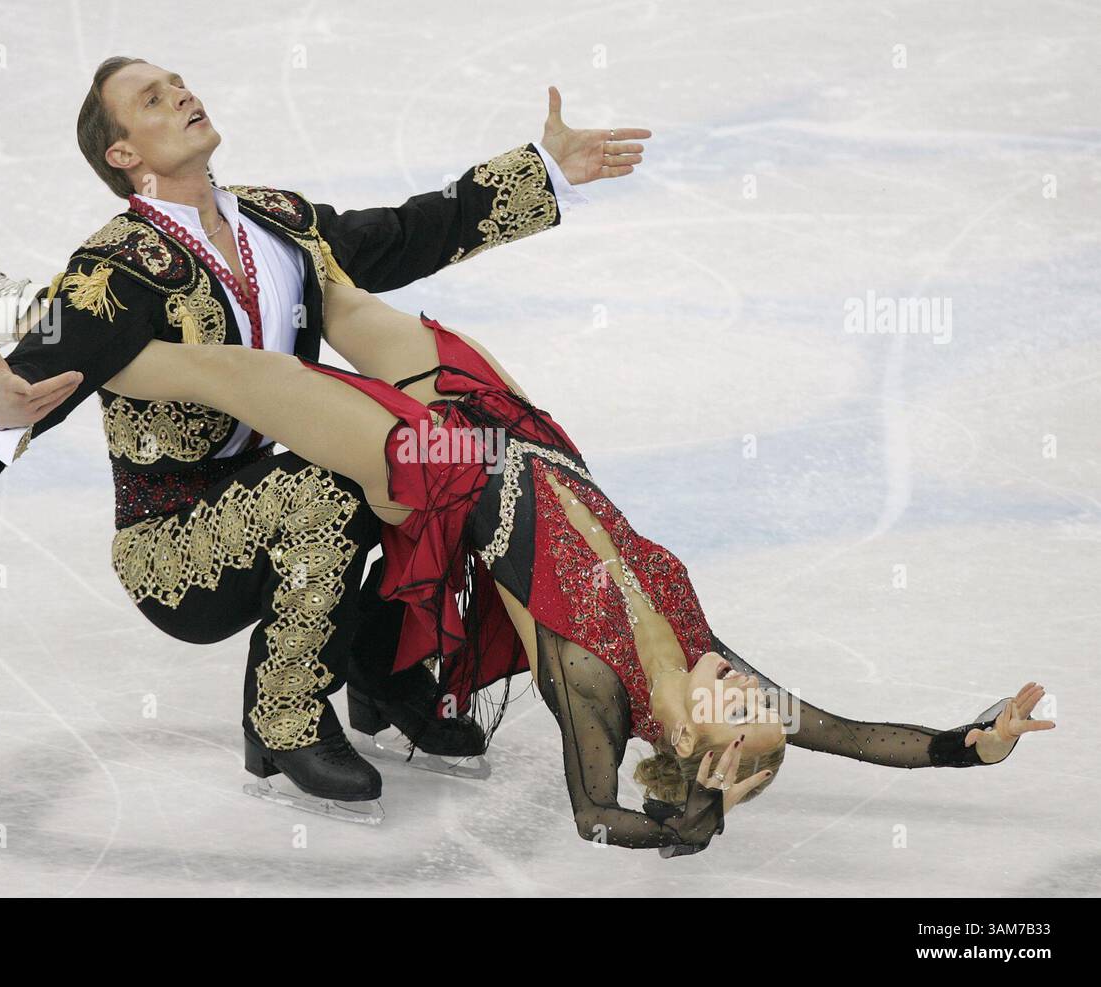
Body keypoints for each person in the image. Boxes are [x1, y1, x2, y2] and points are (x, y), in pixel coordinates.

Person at [0, 56, 654, 816]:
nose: (182, 95)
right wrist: (7, 407)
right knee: (338, 480)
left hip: (269, 489)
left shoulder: (280, 221)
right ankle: (282, 716)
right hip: (172, 546)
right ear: (123, 154)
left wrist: (544, 173)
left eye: (179, 84)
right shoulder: (116, 270)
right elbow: (32, 381)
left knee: (445, 448)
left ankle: (381, 663)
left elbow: (404, 232)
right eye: (153, 99)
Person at [92, 277, 1057, 852]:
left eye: (746, 713)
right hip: (529, 435)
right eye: (763, 703)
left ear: (706, 744)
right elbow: (852, 733)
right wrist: (970, 743)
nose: (759, 689)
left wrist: (681, 822)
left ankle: (35, 335)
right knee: (324, 283)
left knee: (237, 372)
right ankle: (215, 242)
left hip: (449, 467)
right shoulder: (712, 667)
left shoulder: (592, 687)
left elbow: (594, 812)